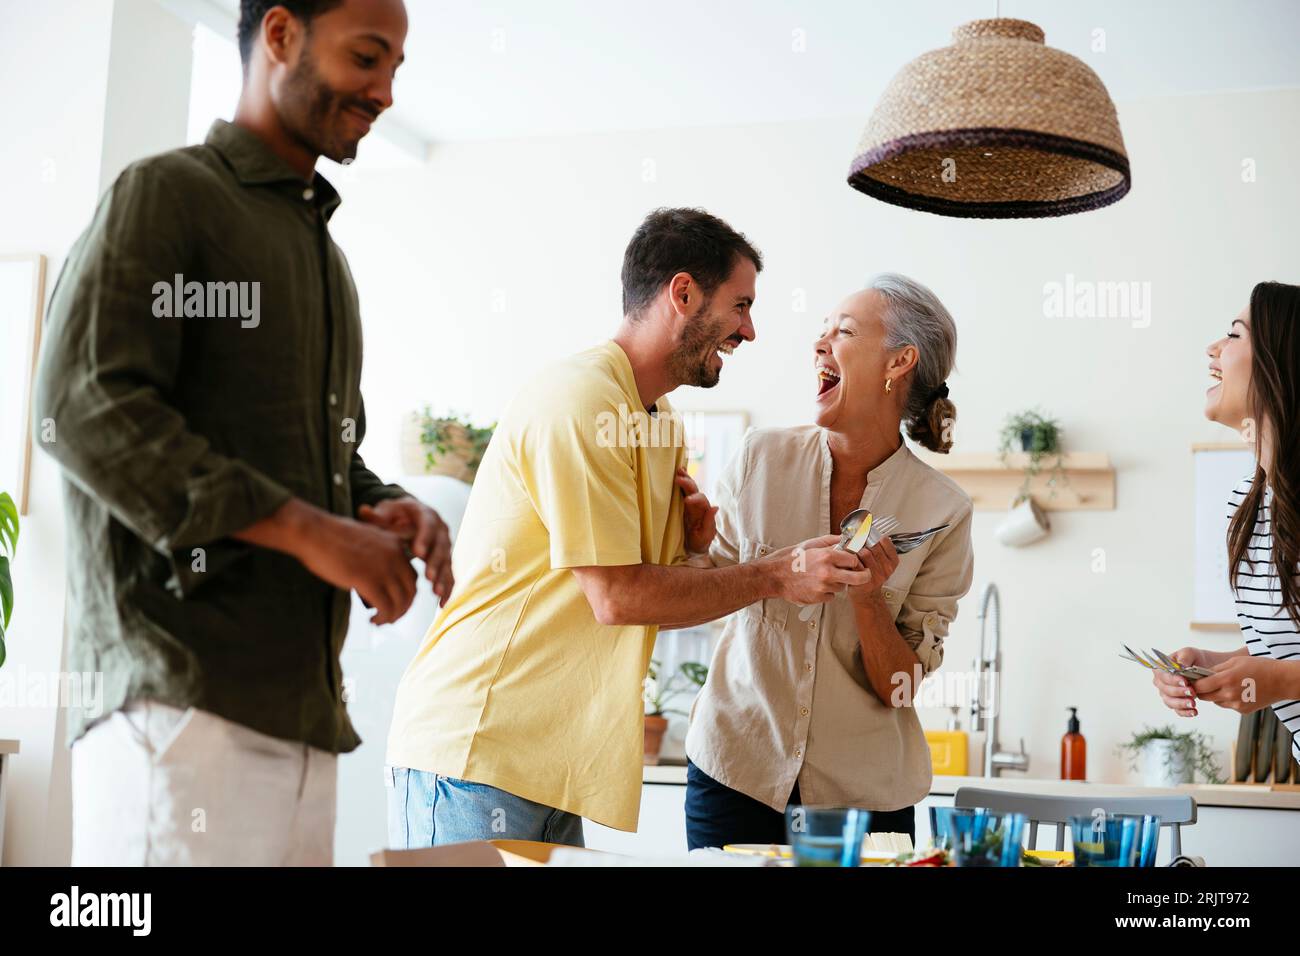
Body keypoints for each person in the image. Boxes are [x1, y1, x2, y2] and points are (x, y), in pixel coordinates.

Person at [34, 0, 451, 866]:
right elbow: (84, 406)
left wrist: (387, 506)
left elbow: (330, 458)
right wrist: (311, 531)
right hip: (181, 710)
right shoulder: (167, 196)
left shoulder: (325, 258)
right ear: (280, 35)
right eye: (367, 57)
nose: (383, 91)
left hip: (304, 722)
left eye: (395, 69)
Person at [385, 207, 872, 847]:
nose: (750, 331)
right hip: (476, 752)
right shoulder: (581, 399)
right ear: (683, 293)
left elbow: (649, 606)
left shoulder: (659, 421)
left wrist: (698, 554)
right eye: (742, 305)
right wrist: (777, 574)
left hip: (551, 768)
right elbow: (617, 598)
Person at [681, 273, 975, 850]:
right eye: (822, 332)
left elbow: (900, 688)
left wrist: (869, 601)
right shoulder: (759, 458)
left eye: (842, 332)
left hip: (866, 803)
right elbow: (704, 593)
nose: (819, 345)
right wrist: (694, 549)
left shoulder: (943, 511)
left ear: (900, 362)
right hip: (734, 770)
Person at [1153, 281, 1300, 767]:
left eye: (1234, 335)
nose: (1213, 349)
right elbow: (1287, 646)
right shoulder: (1251, 503)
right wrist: (1213, 665)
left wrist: (1277, 682)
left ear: (1282, 361)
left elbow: (1285, 671)